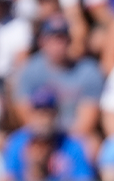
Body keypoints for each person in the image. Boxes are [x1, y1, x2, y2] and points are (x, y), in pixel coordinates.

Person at [14, 16, 105, 151]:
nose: (58, 44)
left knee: (92, 144)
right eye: (52, 38)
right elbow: (25, 113)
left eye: (62, 38)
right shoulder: (30, 70)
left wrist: (62, 141)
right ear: (41, 41)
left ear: (69, 41)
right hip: (40, 130)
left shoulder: (88, 71)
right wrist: (46, 133)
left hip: (72, 135)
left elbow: (87, 120)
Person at [4, 86, 98, 181]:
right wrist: (33, 169)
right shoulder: (17, 143)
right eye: (38, 111)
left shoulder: (72, 145)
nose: (43, 118)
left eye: (48, 112)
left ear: (56, 114)